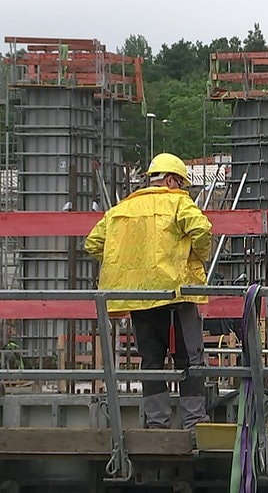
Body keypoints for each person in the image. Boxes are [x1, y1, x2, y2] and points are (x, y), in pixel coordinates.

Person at [85, 153, 212, 429]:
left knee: (151, 360)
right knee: (190, 358)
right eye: (181, 183)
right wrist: (196, 257)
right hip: (176, 294)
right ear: (170, 180)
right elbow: (202, 230)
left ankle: (157, 424)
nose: (182, 189)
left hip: (139, 298)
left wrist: (128, 265)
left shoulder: (120, 210)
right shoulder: (178, 201)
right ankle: (193, 423)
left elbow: (93, 244)